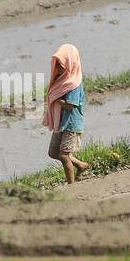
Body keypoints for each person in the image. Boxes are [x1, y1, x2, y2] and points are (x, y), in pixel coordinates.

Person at [43, 43, 90, 183]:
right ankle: (80, 165)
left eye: (61, 64)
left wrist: (56, 99)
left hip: (71, 123)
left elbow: (69, 106)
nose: (58, 68)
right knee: (53, 153)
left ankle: (71, 186)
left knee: (64, 155)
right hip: (61, 122)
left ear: (70, 63)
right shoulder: (61, 80)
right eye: (57, 64)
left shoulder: (74, 83)